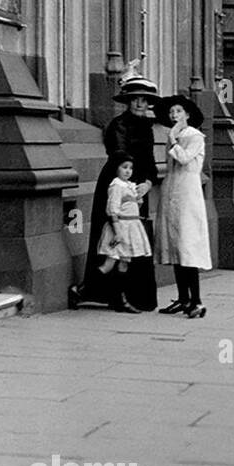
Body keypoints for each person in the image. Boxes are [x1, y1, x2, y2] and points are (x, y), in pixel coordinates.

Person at [69, 69, 160, 311]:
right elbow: (119, 157)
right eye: (135, 99)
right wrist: (131, 187)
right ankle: (104, 294)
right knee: (114, 243)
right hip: (117, 187)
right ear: (128, 101)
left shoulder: (147, 127)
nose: (140, 104)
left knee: (131, 246)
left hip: (138, 189)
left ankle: (129, 296)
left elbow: (150, 162)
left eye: (144, 99)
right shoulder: (118, 125)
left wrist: (148, 184)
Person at [155, 95, 212, 319]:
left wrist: (172, 139)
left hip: (188, 192)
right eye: (171, 113)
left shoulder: (194, 135)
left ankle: (196, 300)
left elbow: (186, 159)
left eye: (178, 111)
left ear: (187, 114)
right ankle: (183, 298)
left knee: (188, 246)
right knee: (176, 245)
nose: (174, 116)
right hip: (172, 190)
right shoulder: (176, 137)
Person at [94, 155, 152, 314]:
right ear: (116, 169)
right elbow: (113, 209)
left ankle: (121, 299)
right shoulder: (116, 186)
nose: (128, 171)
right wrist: (118, 233)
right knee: (108, 264)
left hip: (130, 229)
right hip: (119, 230)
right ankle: (83, 289)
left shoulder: (129, 186)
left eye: (130, 168)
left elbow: (133, 205)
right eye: (124, 167)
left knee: (124, 264)